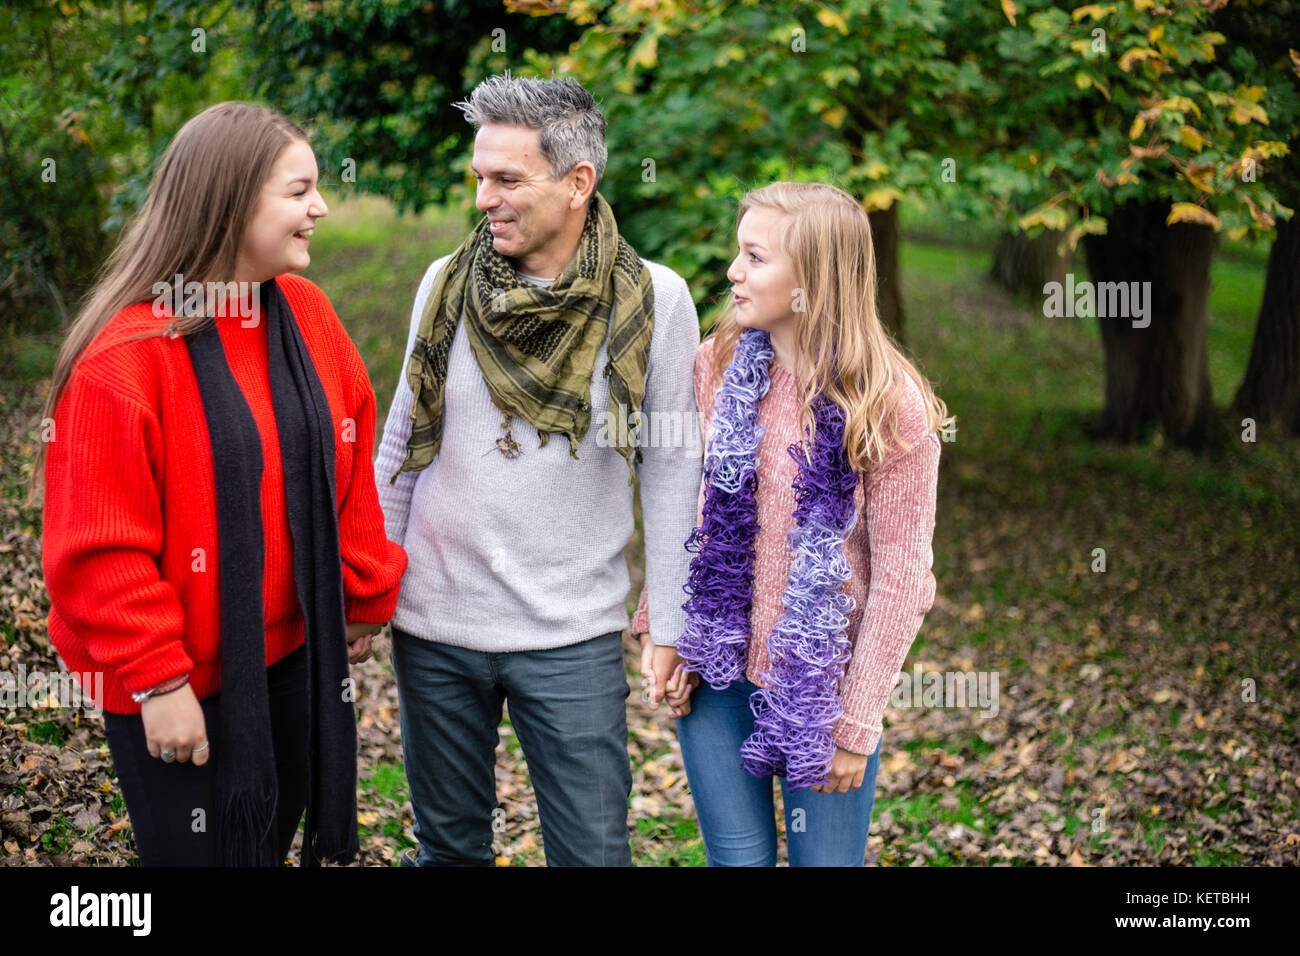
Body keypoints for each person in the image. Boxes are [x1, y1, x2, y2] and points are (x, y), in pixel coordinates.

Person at [34, 101, 408, 867]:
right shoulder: (126, 360)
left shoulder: (303, 312)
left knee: (265, 850)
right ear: (231, 201)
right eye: (299, 191)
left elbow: (350, 454)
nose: (321, 206)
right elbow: (97, 551)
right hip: (177, 684)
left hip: (294, 659)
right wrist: (160, 681)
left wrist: (363, 594)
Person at [374, 73, 702, 867]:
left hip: (571, 630)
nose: (485, 198)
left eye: (508, 179)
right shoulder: (446, 283)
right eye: (480, 177)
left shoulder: (654, 300)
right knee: (448, 850)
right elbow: (402, 442)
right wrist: (370, 584)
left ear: (578, 183)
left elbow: (669, 467)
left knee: (592, 853)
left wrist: (671, 618)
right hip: (437, 621)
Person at [632, 181, 950, 866]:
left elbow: (903, 578)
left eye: (754, 257)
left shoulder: (889, 406)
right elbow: (693, 507)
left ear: (814, 278)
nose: (732, 273)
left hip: (823, 691)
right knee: (736, 861)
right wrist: (668, 625)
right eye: (736, 253)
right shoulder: (717, 367)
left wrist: (856, 725)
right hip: (717, 676)